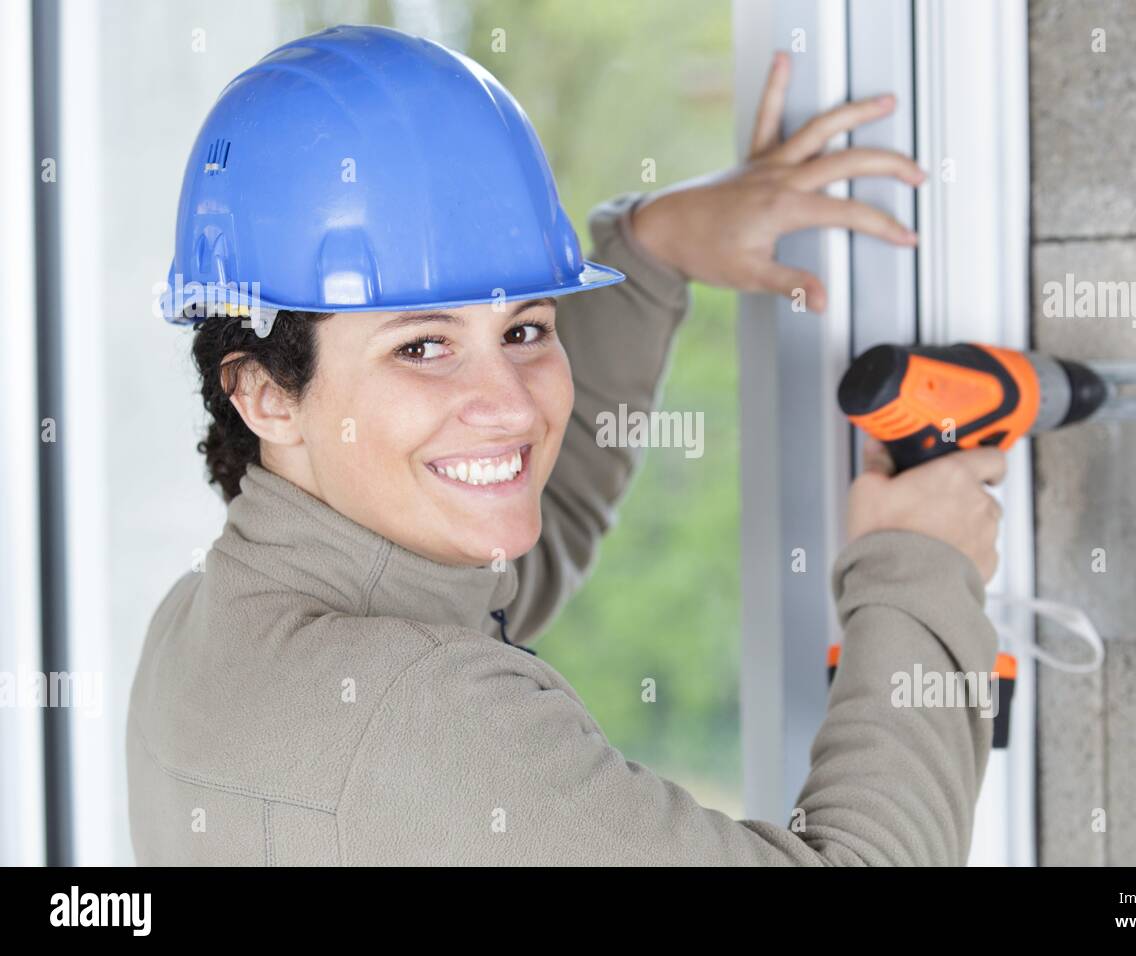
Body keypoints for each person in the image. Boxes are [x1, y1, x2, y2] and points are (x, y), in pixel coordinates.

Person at [127, 24, 1004, 865]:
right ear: (265, 393)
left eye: (526, 329)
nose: (510, 407)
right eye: (422, 347)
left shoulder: (200, 627)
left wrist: (651, 252)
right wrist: (917, 566)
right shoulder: (432, 717)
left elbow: (497, 578)